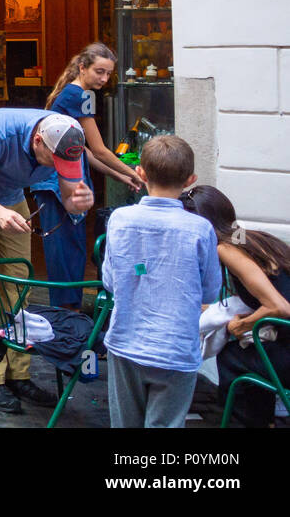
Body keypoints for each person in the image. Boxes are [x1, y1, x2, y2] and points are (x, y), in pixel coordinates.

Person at [0, 109, 93, 414]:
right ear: (37, 141)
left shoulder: (69, 138)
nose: (58, 166)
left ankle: (19, 374)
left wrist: (76, 200)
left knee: (18, 282)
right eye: (54, 160)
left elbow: (67, 189)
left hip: (10, 194)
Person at [102, 136, 221, 428]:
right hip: (177, 348)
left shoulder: (120, 219)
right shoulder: (201, 228)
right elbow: (210, 291)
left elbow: (110, 280)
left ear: (140, 174)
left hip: (126, 340)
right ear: (191, 180)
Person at [40, 43, 141, 308]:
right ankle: (66, 321)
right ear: (82, 67)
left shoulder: (71, 93)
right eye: (99, 72)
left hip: (56, 184)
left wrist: (123, 177)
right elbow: (99, 150)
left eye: (109, 74)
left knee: (67, 254)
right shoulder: (80, 96)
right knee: (67, 255)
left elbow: (87, 153)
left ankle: (66, 319)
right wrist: (135, 175)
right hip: (58, 185)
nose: (104, 79)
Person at [182, 184, 290, 428]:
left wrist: (240, 325)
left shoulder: (226, 249)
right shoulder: (248, 238)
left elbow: (279, 306)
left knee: (232, 357)